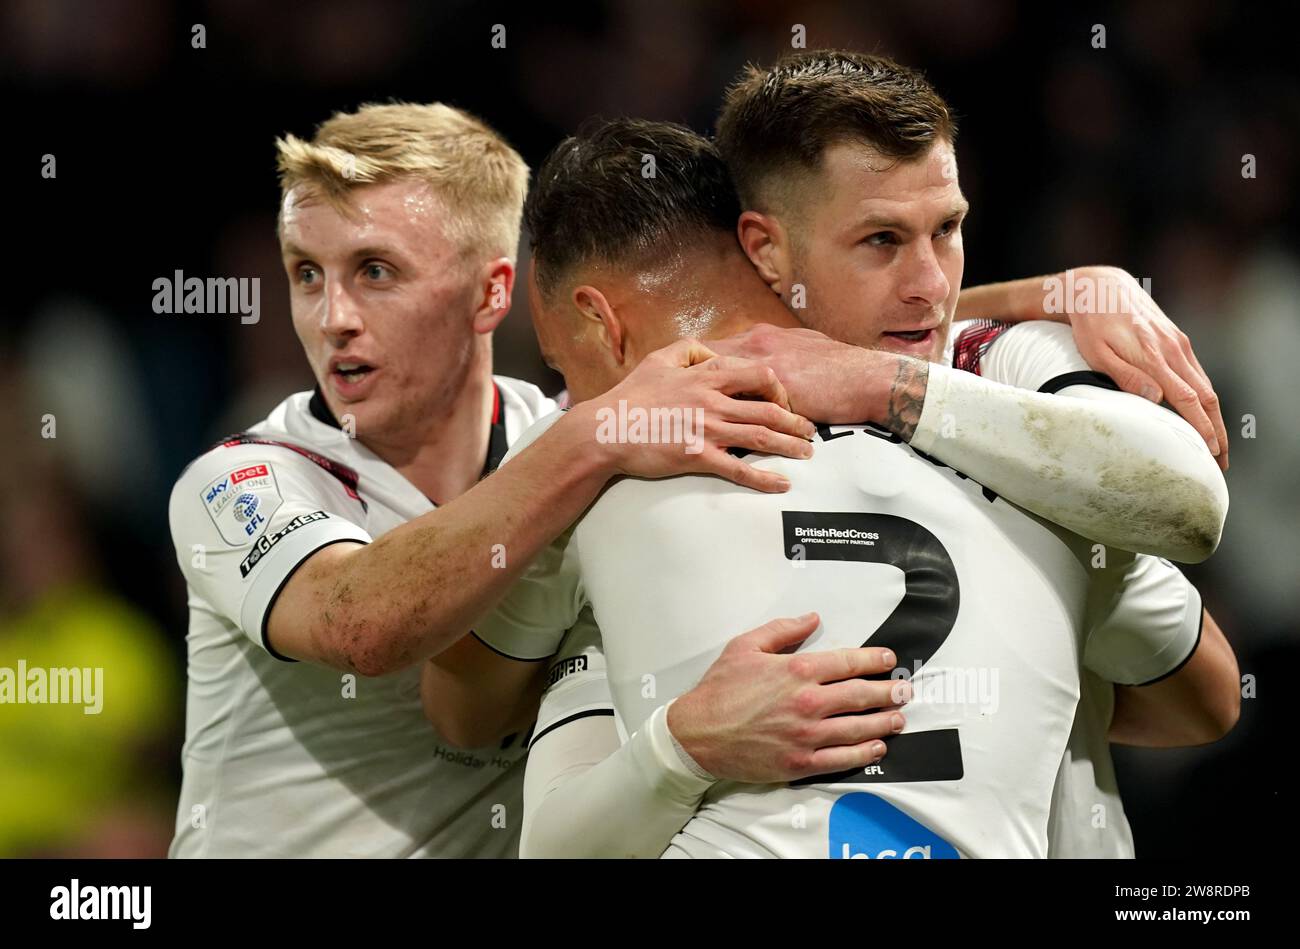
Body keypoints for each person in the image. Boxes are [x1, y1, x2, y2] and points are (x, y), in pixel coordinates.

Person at [423, 116, 1235, 857]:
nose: (577, 400)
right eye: (884, 238)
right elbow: (1203, 692)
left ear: (600, 322)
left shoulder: (586, 471)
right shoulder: (1004, 416)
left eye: (564, 367)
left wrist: (681, 743)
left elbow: (468, 719)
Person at [164, 102, 816, 858]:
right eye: (307, 273)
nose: (332, 315)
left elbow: (737, 333)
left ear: (491, 293)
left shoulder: (564, 435)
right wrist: (597, 433)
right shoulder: (242, 482)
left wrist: (963, 320)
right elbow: (360, 625)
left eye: (375, 271)